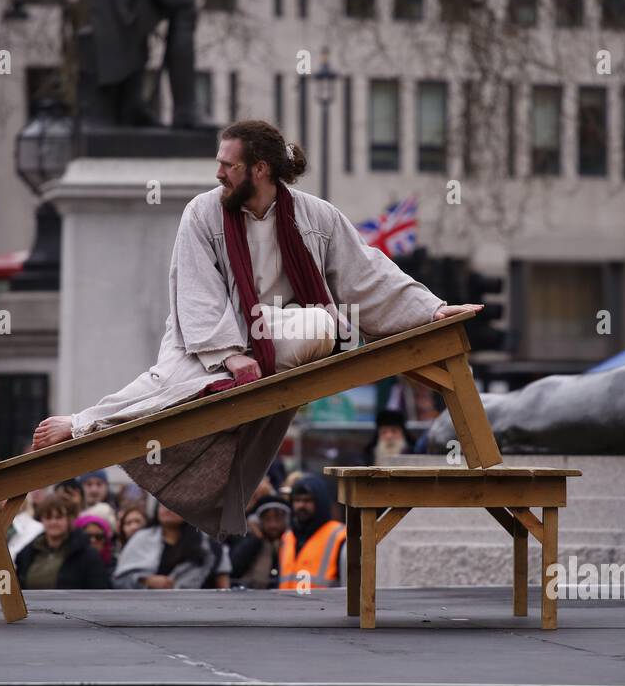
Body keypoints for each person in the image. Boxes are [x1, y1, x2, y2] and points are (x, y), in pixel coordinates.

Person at [31, 119, 482, 541]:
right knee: (167, 389)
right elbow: (196, 293)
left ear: (260, 170)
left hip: (282, 340)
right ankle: (83, 423)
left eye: (229, 165)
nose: (219, 173)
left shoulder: (316, 217)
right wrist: (231, 354)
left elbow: (366, 275)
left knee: (321, 325)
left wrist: (431, 312)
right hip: (210, 342)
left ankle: (228, 373)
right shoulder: (203, 213)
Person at [113, 503, 230, 590]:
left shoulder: (208, 543)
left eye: (174, 505)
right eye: (163, 504)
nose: (167, 509)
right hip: (150, 610)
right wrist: (146, 580)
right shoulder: (141, 538)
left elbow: (222, 581)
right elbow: (120, 579)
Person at [15, 497, 111, 590]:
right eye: (48, 517)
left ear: (69, 519)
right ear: (42, 520)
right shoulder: (27, 554)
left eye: (59, 517)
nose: (53, 522)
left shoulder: (88, 556)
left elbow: (99, 592)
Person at [278, 473, 347, 590]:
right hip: (288, 606)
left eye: (307, 500)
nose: (301, 505)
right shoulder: (287, 537)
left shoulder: (339, 536)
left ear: (320, 503)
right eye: (297, 500)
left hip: (326, 606)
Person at [230, 494, 290, 588]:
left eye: (278, 519)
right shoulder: (247, 539)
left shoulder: (291, 543)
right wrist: (257, 538)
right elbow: (234, 568)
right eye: (267, 519)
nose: (273, 525)